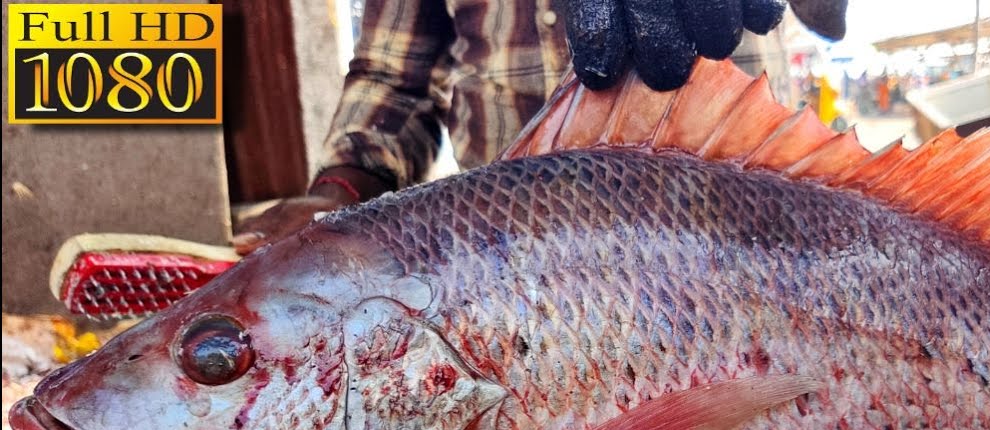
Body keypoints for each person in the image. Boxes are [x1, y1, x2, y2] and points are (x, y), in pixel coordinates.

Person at [235, 0, 845, 252]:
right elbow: (395, 75)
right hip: (517, 259)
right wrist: (337, 194)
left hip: (752, 227)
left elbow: (827, 15)